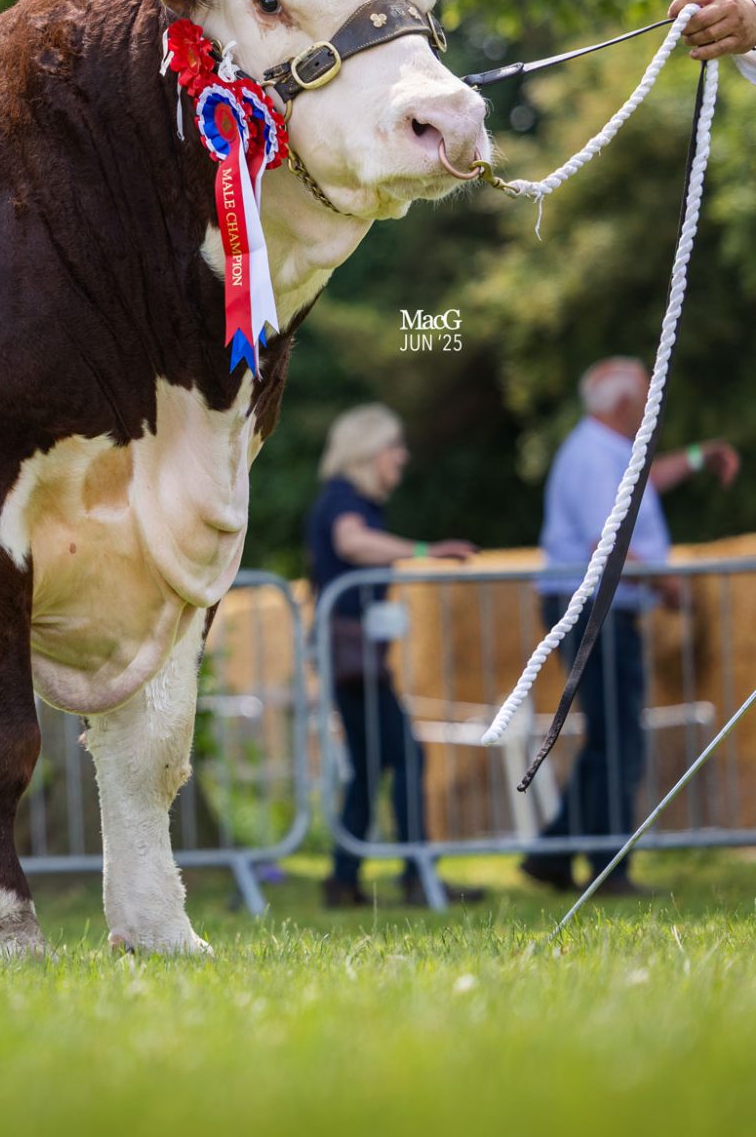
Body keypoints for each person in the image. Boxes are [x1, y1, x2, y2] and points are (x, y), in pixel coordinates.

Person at [520, 359, 739, 896]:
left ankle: (553, 854)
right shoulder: (596, 456)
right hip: (596, 608)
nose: (652, 403)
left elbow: (646, 479)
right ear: (622, 405)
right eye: (646, 394)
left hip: (594, 606)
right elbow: (607, 541)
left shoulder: (604, 449)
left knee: (611, 735)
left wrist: (695, 458)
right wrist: (667, 586)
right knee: (618, 739)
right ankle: (607, 868)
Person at [307, 404, 486, 909]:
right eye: (394, 448)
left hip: (352, 655)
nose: (402, 458)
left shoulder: (347, 498)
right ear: (368, 451)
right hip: (352, 655)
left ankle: (344, 881)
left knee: (368, 768)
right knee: (405, 755)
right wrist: (426, 551)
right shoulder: (345, 499)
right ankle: (416, 876)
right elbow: (353, 542)